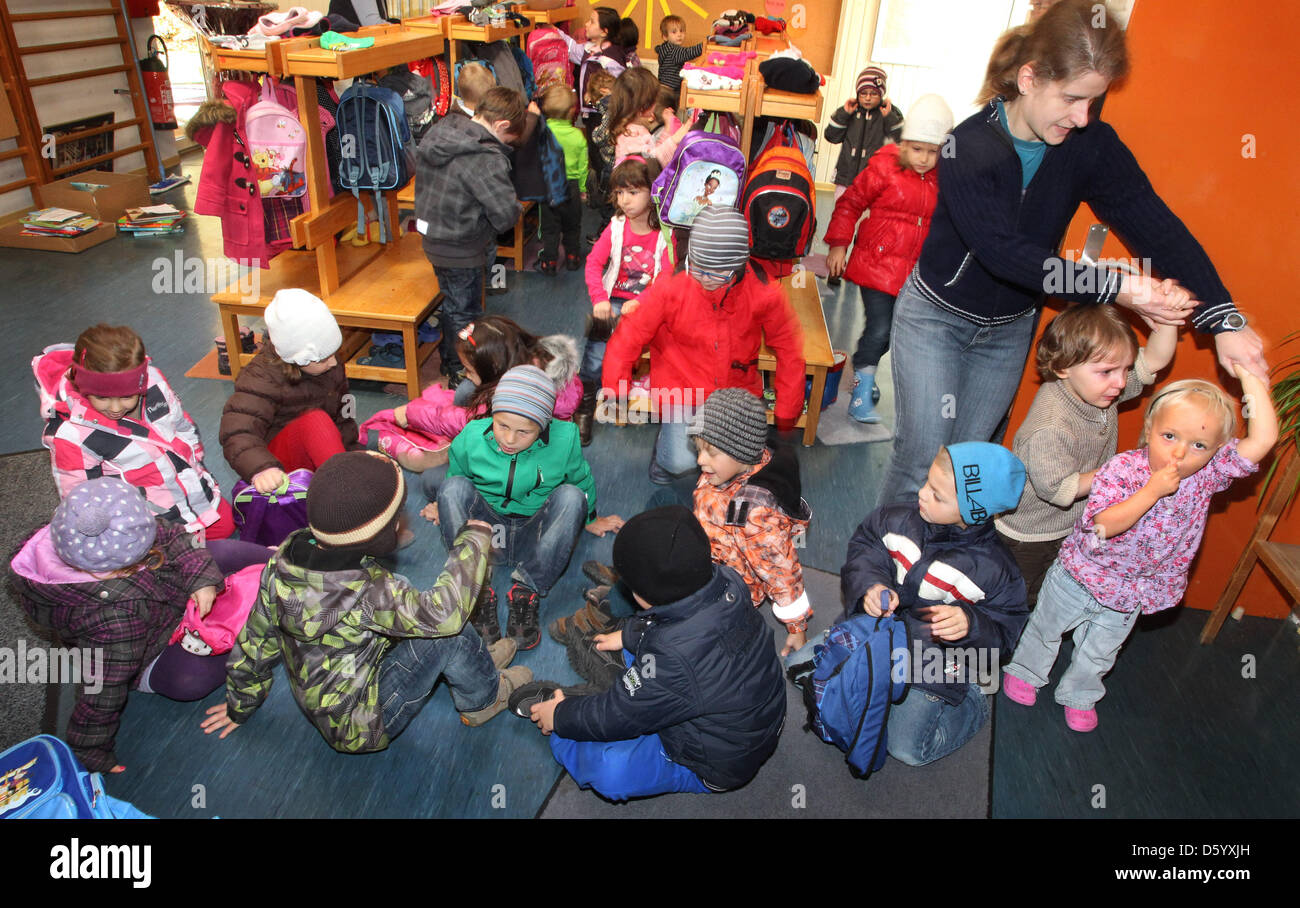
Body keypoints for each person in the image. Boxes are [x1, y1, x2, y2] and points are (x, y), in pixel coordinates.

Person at [875, 0, 1267, 510]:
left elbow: (1157, 227)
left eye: (1094, 102)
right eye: (1072, 98)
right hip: (936, 319)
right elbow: (1003, 254)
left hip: (1008, 327)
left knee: (969, 470)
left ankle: (937, 582)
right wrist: (1121, 287)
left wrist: (1224, 318)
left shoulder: (1091, 146)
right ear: (1029, 77)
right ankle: (881, 575)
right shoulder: (966, 146)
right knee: (922, 461)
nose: (1083, 118)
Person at [1003, 367, 1276, 731]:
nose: (1180, 452)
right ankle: (1026, 671)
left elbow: (1262, 441)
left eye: (1199, 445)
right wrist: (1151, 491)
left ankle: (1080, 692)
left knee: (1101, 649)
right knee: (1046, 628)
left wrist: (1251, 379)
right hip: (1081, 573)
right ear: (1149, 430)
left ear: (1215, 453)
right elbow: (1103, 524)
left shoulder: (1206, 476)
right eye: (1169, 435)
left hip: (1134, 588)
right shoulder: (1123, 470)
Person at [201, 451, 531, 749]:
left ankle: (476, 664)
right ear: (377, 534)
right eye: (397, 515)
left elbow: (256, 641)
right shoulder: (368, 590)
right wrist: (473, 541)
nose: (404, 519)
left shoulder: (283, 561)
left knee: (401, 590)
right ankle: (484, 697)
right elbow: (445, 613)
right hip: (364, 723)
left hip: (332, 693)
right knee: (450, 634)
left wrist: (239, 703)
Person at [511, 506, 786, 801]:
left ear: (645, 594)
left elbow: (616, 716)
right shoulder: (727, 579)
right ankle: (622, 681)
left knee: (611, 769)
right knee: (648, 661)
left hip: (708, 763)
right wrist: (627, 636)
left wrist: (561, 718)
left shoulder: (674, 656)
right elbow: (672, 622)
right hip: (742, 715)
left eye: (628, 585)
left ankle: (564, 713)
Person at [9, 478, 270, 774]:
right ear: (120, 568)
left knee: (222, 552)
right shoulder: (113, 622)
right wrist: (89, 750)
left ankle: (287, 562)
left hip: (162, 592)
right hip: (148, 652)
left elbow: (173, 536)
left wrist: (200, 577)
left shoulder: (102, 523)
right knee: (187, 683)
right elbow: (102, 687)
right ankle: (258, 630)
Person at [841, 443, 1029, 765]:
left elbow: (1005, 633)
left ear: (974, 511)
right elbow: (866, 547)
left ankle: (974, 700)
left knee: (906, 749)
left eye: (937, 495)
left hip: (941, 660)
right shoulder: (896, 517)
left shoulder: (997, 570)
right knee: (808, 668)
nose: (922, 494)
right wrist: (871, 588)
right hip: (884, 631)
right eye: (927, 482)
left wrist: (971, 624)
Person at [601, 206, 805, 484]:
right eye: (698, 269)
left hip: (735, 386)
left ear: (738, 267)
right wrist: (615, 385)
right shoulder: (673, 285)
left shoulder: (765, 292)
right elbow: (630, 334)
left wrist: (787, 409)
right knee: (680, 461)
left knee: (740, 457)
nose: (706, 278)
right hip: (681, 383)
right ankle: (663, 457)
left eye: (717, 273)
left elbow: (789, 349)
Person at [994, 306, 1176, 606]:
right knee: (1010, 601)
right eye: (1107, 371)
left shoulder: (1095, 389)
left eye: (1124, 369)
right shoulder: (1051, 425)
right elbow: (1060, 490)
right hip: (1028, 536)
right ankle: (985, 647)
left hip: (1066, 526)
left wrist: (1168, 318)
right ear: (1063, 367)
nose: (1119, 383)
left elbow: (1154, 359)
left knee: (1047, 595)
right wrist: (1120, 470)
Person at [434, 366, 623, 650]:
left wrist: (591, 517)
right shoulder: (472, 435)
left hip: (535, 536)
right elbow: (456, 476)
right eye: (502, 426)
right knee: (450, 490)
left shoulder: (566, 438)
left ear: (544, 425)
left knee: (573, 497)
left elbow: (581, 479)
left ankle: (527, 588)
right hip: (487, 535)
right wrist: (444, 507)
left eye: (524, 431)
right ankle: (476, 587)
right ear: (492, 416)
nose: (509, 440)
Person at [823, 94, 954, 423]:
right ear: (905, 143)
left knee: (895, 335)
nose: (923, 158)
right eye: (917, 148)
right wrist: (839, 244)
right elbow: (850, 203)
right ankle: (860, 390)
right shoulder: (884, 168)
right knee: (880, 329)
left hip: (917, 275)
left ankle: (861, 372)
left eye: (932, 151)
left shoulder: (947, 180)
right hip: (877, 267)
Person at [34, 324, 233, 539]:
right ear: (81, 385)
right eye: (101, 398)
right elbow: (79, 496)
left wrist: (195, 462)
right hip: (144, 518)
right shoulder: (71, 435)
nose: (116, 408)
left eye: (127, 397)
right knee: (195, 560)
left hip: (191, 489)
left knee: (228, 526)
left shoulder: (153, 381)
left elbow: (183, 426)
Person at [361, 316, 581, 475]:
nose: (466, 374)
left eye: (470, 369)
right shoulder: (529, 356)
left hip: (524, 460)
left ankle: (395, 444)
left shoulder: (513, 399)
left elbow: (464, 421)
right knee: (466, 389)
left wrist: (411, 412)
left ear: (494, 367)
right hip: (523, 437)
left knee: (433, 481)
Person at [686, 388, 812, 657]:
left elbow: (782, 571)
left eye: (710, 453)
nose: (700, 460)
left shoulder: (755, 514)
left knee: (685, 625)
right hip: (709, 550)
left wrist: (797, 627)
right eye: (699, 450)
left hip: (729, 587)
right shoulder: (727, 469)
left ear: (742, 454)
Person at [414, 86, 527, 386]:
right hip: (462, 245)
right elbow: (505, 214)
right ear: (502, 126)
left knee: (453, 303)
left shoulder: (443, 129)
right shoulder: (485, 157)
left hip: (433, 237)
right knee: (465, 312)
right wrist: (515, 205)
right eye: (508, 140)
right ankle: (460, 371)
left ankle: (449, 357)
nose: (505, 146)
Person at [219, 288, 363, 493]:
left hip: (322, 454)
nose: (333, 362)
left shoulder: (328, 363)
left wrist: (352, 451)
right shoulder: (261, 377)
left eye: (333, 353)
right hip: (280, 465)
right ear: (297, 356)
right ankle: (347, 495)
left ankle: (344, 479)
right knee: (316, 421)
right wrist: (262, 469)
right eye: (323, 358)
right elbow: (237, 431)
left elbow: (344, 415)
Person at [576, 157, 673, 446]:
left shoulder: (664, 233)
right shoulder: (617, 226)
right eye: (619, 193)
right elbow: (594, 264)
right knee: (596, 344)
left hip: (651, 304)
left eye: (633, 192)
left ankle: (636, 395)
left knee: (658, 343)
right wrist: (599, 299)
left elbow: (667, 277)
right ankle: (585, 403)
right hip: (615, 298)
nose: (625, 201)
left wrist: (643, 301)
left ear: (653, 192)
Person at [822, 66, 903, 203]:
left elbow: (902, 140)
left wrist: (889, 117)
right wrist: (843, 114)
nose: (868, 98)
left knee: (869, 217)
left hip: (875, 180)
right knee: (842, 212)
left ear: (882, 94)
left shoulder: (889, 113)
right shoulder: (850, 111)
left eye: (874, 94)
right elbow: (831, 136)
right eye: (863, 93)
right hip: (846, 177)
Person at [536, 84, 588, 275]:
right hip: (572, 187)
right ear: (571, 111)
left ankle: (549, 262)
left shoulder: (541, 133)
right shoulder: (577, 136)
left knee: (550, 228)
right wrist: (583, 189)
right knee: (572, 226)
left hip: (548, 186)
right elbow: (583, 166)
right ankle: (573, 258)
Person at [606, 67, 691, 167]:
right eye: (654, 100)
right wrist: (675, 139)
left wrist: (668, 130)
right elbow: (653, 163)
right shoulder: (629, 136)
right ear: (643, 105)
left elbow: (653, 150)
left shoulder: (633, 128)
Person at [654, 14, 703, 93]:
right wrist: (705, 45)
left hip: (664, 88)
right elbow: (688, 53)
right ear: (665, 37)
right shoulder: (673, 51)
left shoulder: (665, 48)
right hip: (670, 91)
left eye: (681, 31)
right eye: (674, 32)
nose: (679, 34)